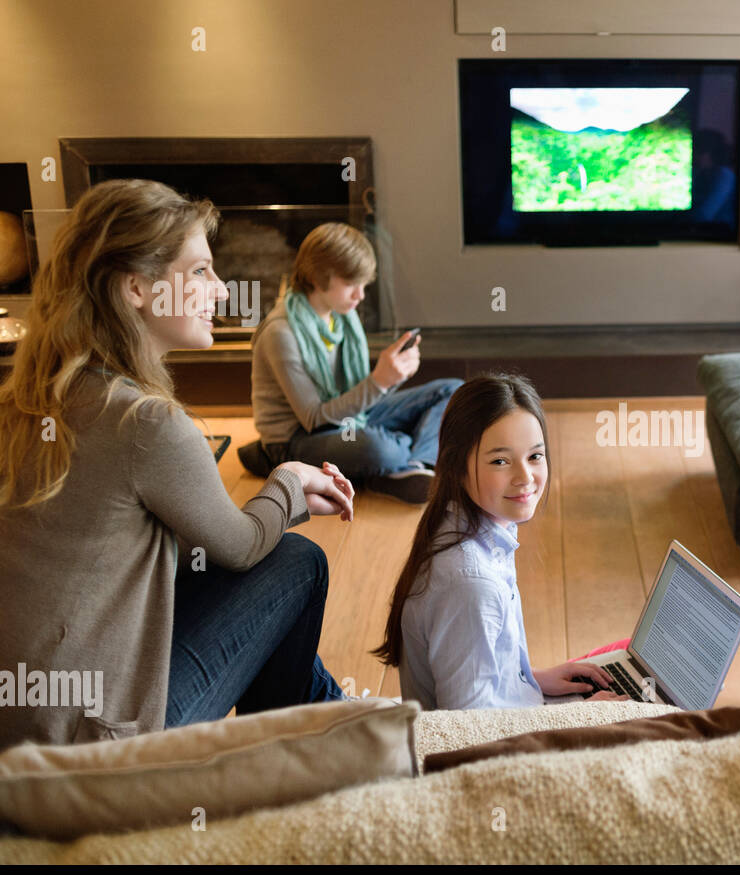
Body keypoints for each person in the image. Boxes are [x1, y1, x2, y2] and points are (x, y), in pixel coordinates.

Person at [0, 179, 357, 750]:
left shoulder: (22, 400)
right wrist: (289, 478)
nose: (221, 290)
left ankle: (329, 717)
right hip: (97, 743)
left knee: (222, 574)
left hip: (23, 725)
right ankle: (308, 746)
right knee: (297, 562)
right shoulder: (144, 422)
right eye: (200, 271)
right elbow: (241, 546)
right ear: (136, 288)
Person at [375, 373, 630, 709]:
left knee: (631, 660)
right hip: (508, 737)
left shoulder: (474, 529)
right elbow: (470, 728)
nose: (525, 477)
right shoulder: (470, 583)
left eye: (535, 456)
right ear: (456, 466)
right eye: (500, 461)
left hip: (520, 710)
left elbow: (481, 672)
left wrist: (530, 677)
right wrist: (581, 717)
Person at [250, 222, 462, 504]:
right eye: (352, 284)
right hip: (296, 439)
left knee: (454, 392)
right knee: (380, 448)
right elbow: (315, 419)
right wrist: (379, 383)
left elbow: (355, 400)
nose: (360, 295)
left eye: (364, 284)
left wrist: (392, 378)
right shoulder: (281, 332)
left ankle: (414, 466)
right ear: (318, 277)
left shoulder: (341, 317)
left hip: (349, 419)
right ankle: (400, 458)